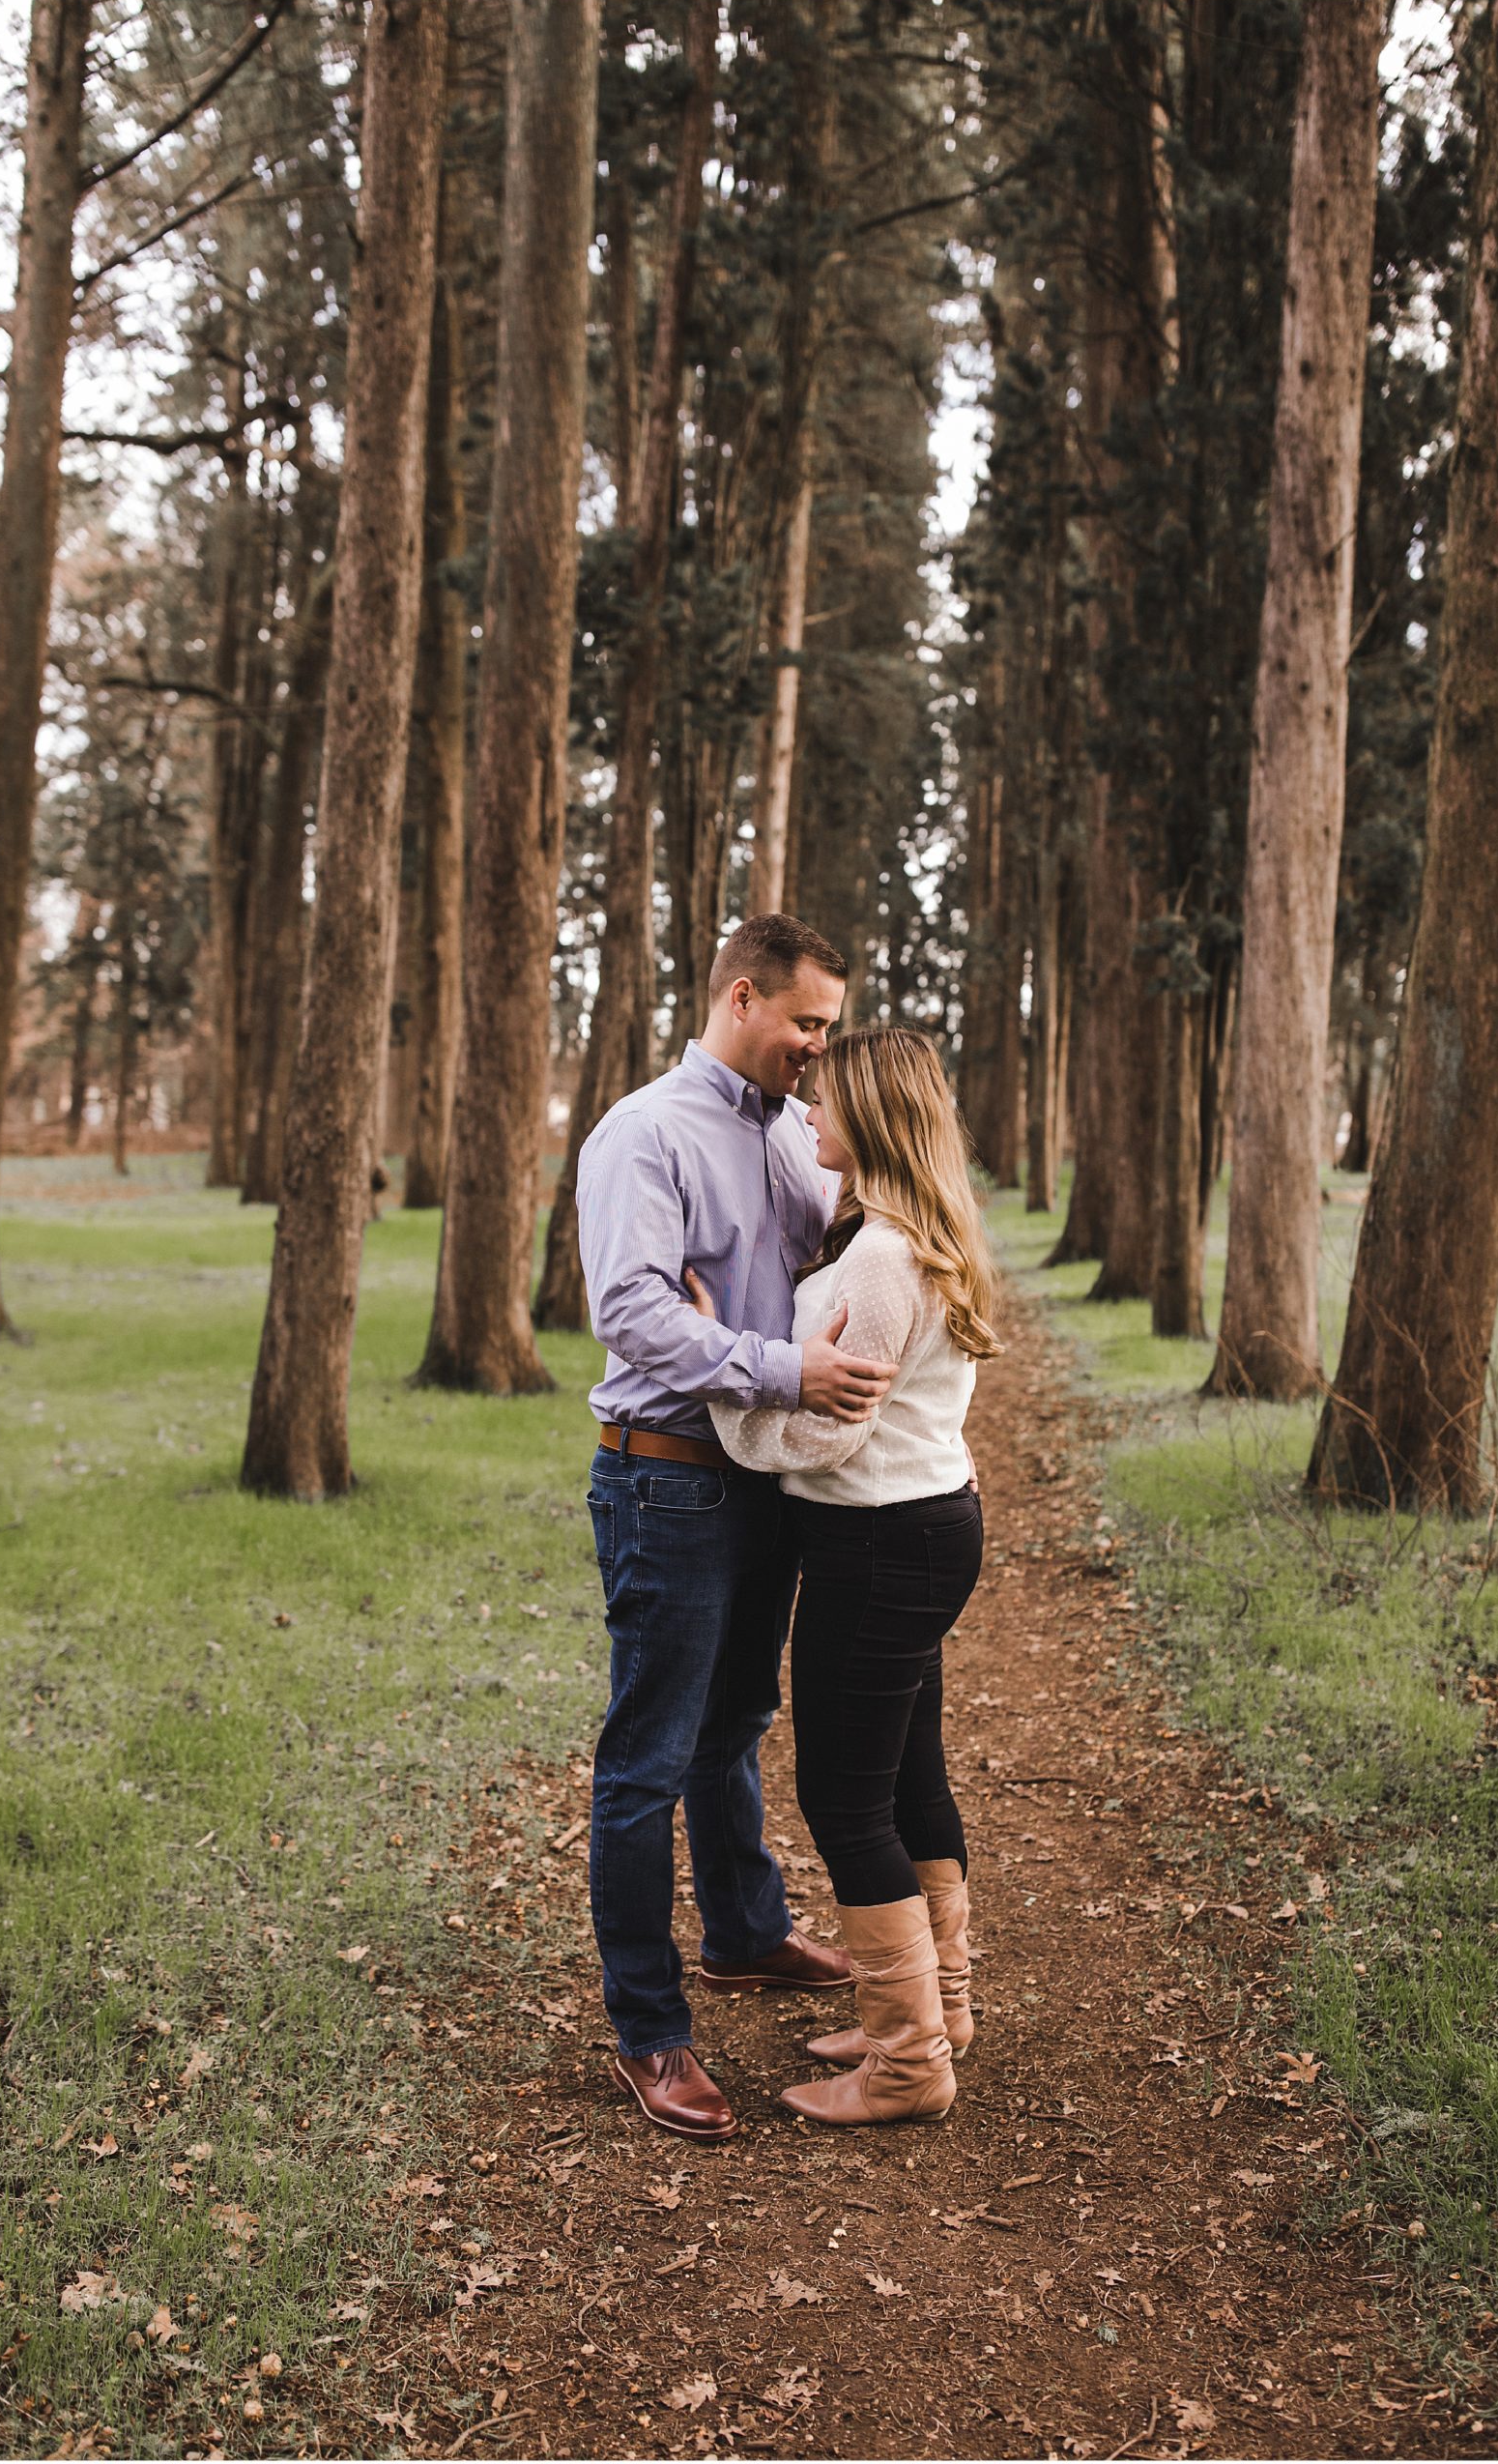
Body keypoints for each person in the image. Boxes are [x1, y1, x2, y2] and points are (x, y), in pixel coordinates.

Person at [578, 914, 899, 2143]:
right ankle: (648, 2029)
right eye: (807, 1022)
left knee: (738, 1724)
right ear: (743, 997)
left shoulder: (795, 1142)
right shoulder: (644, 1133)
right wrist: (773, 1365)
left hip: (765, 1478)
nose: (820, 1046)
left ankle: (745, 1932)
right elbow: (632, 1314)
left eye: (827, 1026)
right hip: (669, 1479)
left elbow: (828, 1264)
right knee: (646, 1756)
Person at [692, 1026, 998, 2127]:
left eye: (822, 1101)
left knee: (842, 1793)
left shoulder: (876, 1258)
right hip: (922, 1529)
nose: (805, 1114)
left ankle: (910, 2063)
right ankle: (931, 2008)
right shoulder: (917, 1235)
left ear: (868, 1118)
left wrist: (720, 1382)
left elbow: (820, 1434)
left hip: (880, 1545)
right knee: (908, 1772)